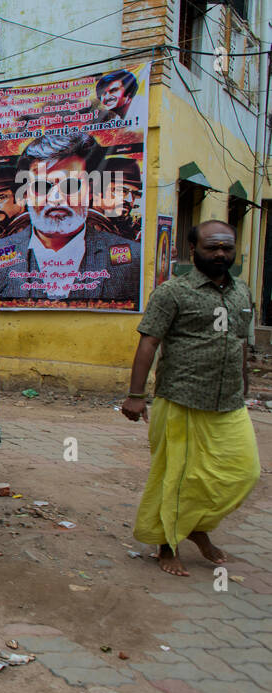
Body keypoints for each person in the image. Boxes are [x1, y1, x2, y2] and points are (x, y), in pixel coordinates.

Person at [122, 220, 260, 576]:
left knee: (244, 472)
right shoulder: (173, 293)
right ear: (193, 250)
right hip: (181, 396)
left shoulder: (242, 292)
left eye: (227, 248)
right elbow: (148, 342)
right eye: (211, 247)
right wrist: (136, 396)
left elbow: (240, 342)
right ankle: (167, 545)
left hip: (229, 401)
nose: (220, 254)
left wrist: (243, 381)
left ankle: (196, 526)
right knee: (178, 477)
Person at [0, 132, 140, 302]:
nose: (56, 199)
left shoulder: (131, 260)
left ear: (91, 190)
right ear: (26, 193)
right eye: (42, 186)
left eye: (70, 185)